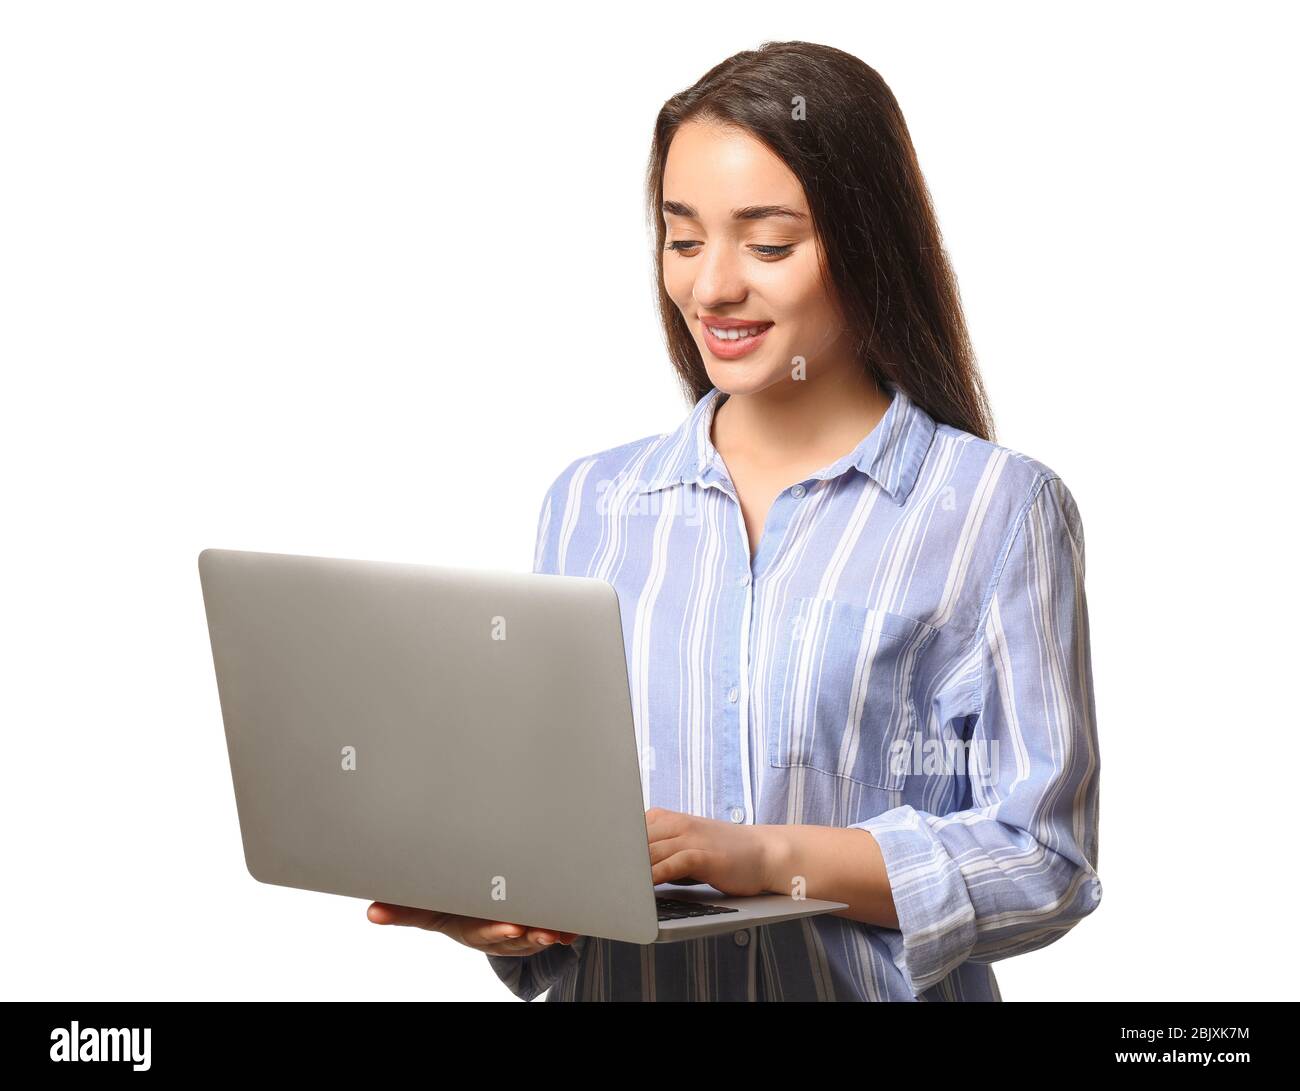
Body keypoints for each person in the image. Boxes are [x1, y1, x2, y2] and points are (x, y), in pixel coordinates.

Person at [367, 40, 1102, 1001]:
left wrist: (767, 856)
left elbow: (1044, 858)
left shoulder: (994, 511)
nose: (711, 287)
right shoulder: (591, 507)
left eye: (767, 244)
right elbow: (554, 838)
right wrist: (504, 904)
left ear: (867, 241)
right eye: (682, 239)